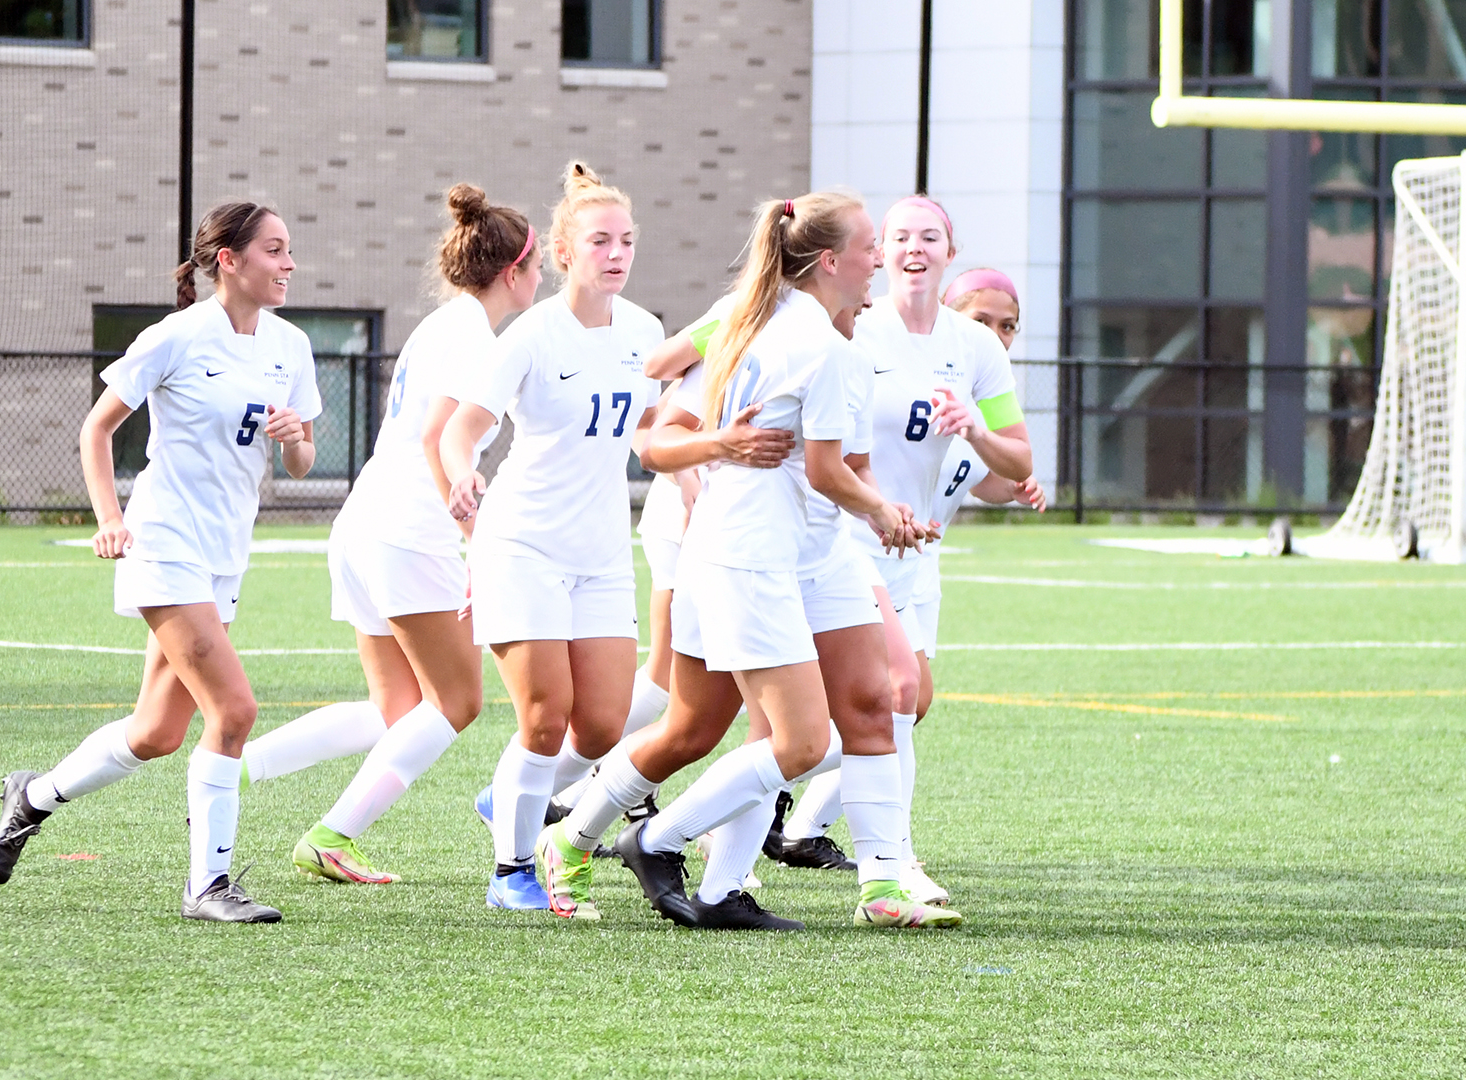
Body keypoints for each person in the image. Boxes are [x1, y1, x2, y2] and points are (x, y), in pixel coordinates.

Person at [547, 191, 959, 930]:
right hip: (748, 558)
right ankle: (645, 839)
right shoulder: (775, 335)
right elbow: (663, 441)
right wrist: (876, 509)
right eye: (871, 248)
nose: (880, 262)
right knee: (778, 740)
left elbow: (837, 473)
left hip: (815, 552)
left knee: (871, 705)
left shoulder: (829, 342)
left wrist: (885, 516)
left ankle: (881, 887)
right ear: (830, 261)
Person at [0, 201, 321, 923]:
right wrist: (110, 518)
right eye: (274, 250)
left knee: (155, 733)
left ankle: (32, 796)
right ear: (228, 260)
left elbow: (300, 461)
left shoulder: (290, 345)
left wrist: (295, 438)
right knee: (234, 711)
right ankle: (208, 887)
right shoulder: (177, 336)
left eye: (290, 251)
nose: (289, 264)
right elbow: (98, 427)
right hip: (164, 541)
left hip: (225, 553)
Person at [255, 183, 542, 885]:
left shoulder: (441, 327)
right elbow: (442, 440)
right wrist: (472, 537)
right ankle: (331, 835)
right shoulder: (475, 336)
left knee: (397, 709)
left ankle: (236, 766)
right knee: (460, 702)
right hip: (409, 530)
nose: (543, 280)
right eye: (540, 267)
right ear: (515, 272)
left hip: (364, 522)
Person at [780, 204, 1036, 908]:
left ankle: (749, 813)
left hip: (915, 554)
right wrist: (875, 510)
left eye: (929, 236)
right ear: (881, 253)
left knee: (892, 708)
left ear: (950, 248)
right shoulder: (857, 329)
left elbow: (1016, 461)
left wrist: (977, 430)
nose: (914, 248)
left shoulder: (974, 347)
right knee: (896, 695)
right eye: (899, 237)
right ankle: (890, 866)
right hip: (848, 540)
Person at [437, 162, 665, 912]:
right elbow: (460, 431)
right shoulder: (531, 334)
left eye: (627, 240)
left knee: (600, 728)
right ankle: (511, 872)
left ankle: (508, 795)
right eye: (600, 240)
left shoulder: (646, 332)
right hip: (521, 544)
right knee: (543, 718)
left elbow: (658, 436)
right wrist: (462, 473)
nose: (617, 252)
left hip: (600, 551)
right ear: (565, 251)